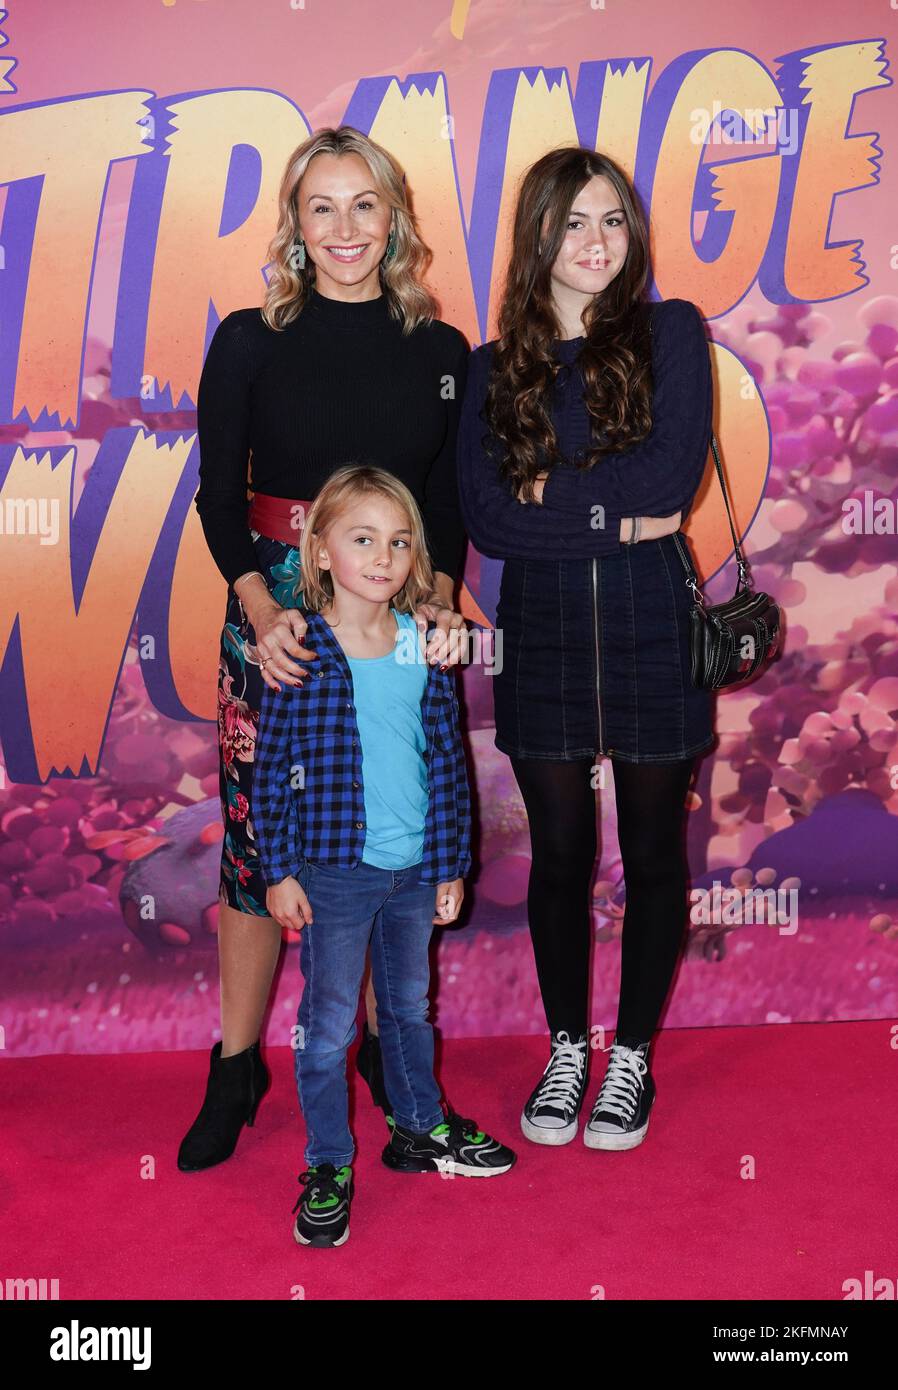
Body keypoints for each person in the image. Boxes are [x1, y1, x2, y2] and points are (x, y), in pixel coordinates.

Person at [179, 126, 471, 1173]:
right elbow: (217, 496)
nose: (344, 228)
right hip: (281, 608)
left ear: (393, 218)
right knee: (265, 839)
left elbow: (442, 503)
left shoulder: (441, 355)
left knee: (395, 823)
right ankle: (237, 1061)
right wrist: (259, 608)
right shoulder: (249, 340)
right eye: (322, 207)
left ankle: (390, 1057)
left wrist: (434, 603)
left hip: (396, 613)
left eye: (364, 205)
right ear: (296, 226)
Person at [457, 146, 715, 1152]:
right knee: (559, 855)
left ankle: (632, 1057)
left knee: (652, 852)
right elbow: (486, 520)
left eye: (612, 220)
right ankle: (568, 1046)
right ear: (537, 238)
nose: (596, 242)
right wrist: (614, 514)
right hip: (544, 633)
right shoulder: (490, 368)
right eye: (572, 222)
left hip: (654, 621)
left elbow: (668, 483)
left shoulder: (672, 334)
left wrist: (556, 500)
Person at [252, 464, 516, 1247]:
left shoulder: (424, 645)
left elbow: (446, 758)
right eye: (362, 539)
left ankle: (420, 1130)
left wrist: (450, 864)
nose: (383, 556)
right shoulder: (300, 649)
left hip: (413, 873)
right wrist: (278, 871)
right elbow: (268, 773)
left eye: (399, 542)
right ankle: (330, 1162)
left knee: (406, 1009)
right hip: (333, 872)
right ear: (321, 550)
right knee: (330, 1026)